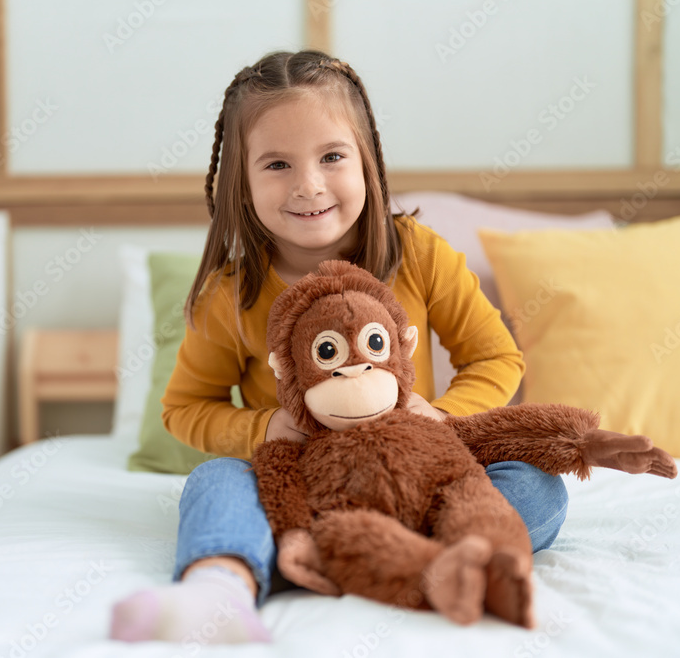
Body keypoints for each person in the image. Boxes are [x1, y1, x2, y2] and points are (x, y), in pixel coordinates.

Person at [110, 50, 565, 644]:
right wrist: (264, 429)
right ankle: (219, 586)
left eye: (331, 156)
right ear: (240, 185)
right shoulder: (230, 294)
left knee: (536, 484)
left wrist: (444, 418)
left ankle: (411, 558)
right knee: (215, 482)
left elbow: (496, 357)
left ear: (367, 161)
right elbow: (184, 409)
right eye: (276, 164)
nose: (308, 185)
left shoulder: (419, 253)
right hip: (301, 492)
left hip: (421, 481)